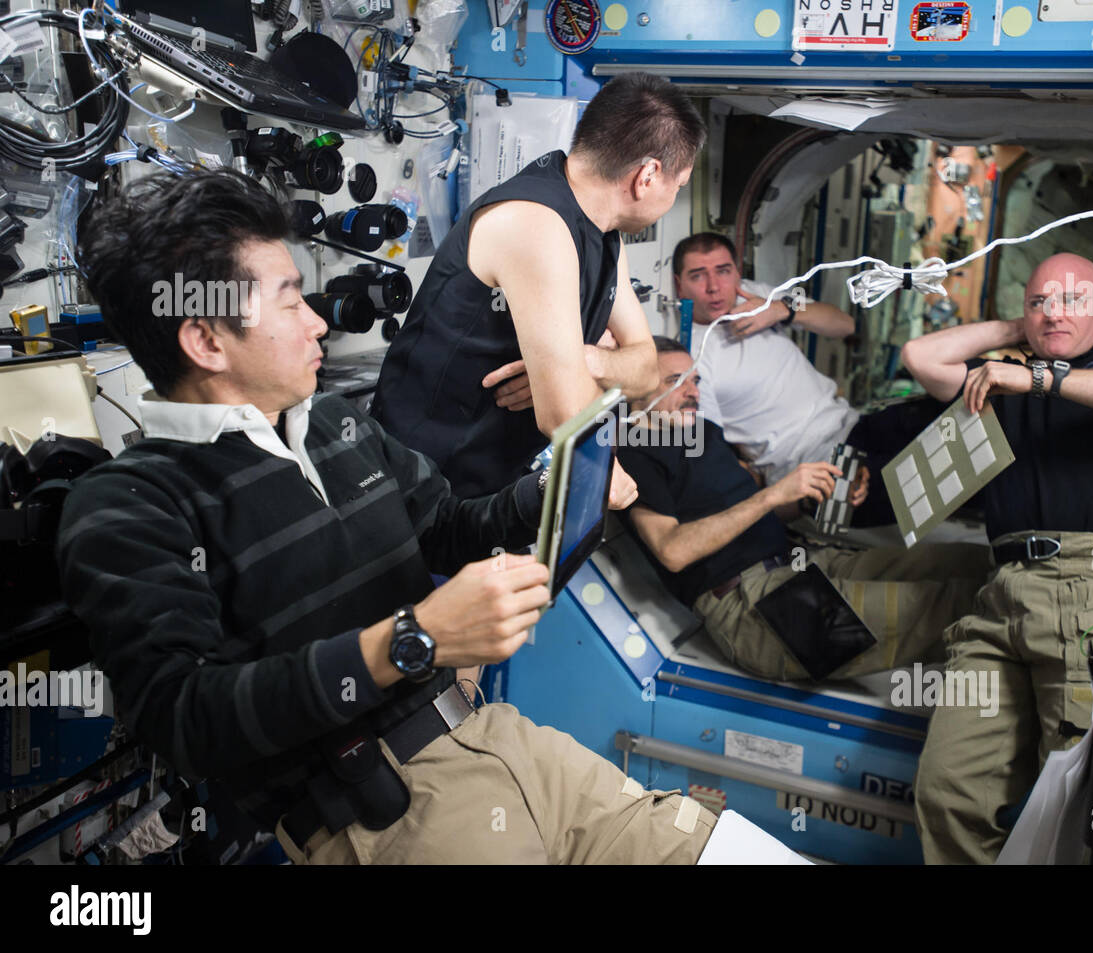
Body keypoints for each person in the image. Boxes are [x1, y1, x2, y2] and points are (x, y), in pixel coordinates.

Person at [59, 169, 728, 865]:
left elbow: (446, 525)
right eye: (290, 304)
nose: (319, 321)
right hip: (395, 819)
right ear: (206, 340)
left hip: (508, 746)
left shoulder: (334, 423)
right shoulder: (128, 505)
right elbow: (188, 718)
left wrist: (553, 490)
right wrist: (413, 639)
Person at [900, 252, 1093, 865]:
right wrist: (1021, 332)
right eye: (1041, 301)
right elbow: (921, 357)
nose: (1055, 312)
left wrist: (1043, 376)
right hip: (1002, 595)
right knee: (947, 787)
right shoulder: (1006, 371)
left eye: (1071, 300)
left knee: (1072, 801)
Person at [370, 72, 706, 506]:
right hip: (417, 488)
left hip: (484, 487)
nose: (673, 198)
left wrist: (581, 360)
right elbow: (563, 414)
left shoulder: (605, 235)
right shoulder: (536, 223)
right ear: (647, 176)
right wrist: (613, 473)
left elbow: (645, 371)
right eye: (678, 187)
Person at [618, 337, 991, 682]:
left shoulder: (706, 435)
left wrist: (816, 496)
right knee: (957, 604)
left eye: (695, 380)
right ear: (637, 389)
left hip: (800, 562)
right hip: (753, 608)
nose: (692, 392)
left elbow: (755, 511)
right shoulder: (633, 456)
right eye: (676, 380)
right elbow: (672, 551)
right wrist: (771, 495)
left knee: (977, 564)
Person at [673, 232, 943, 526]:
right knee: (944, 478)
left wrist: (781, 309)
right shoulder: (691, 357)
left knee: (959, 419)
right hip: (815, 469)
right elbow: (711, 451)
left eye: (723, 272)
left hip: (852, 425)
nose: (714, 287)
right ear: (679, 285)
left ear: (737, 273)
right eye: (698, 276)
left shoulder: (754, 293)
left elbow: (843, 323)